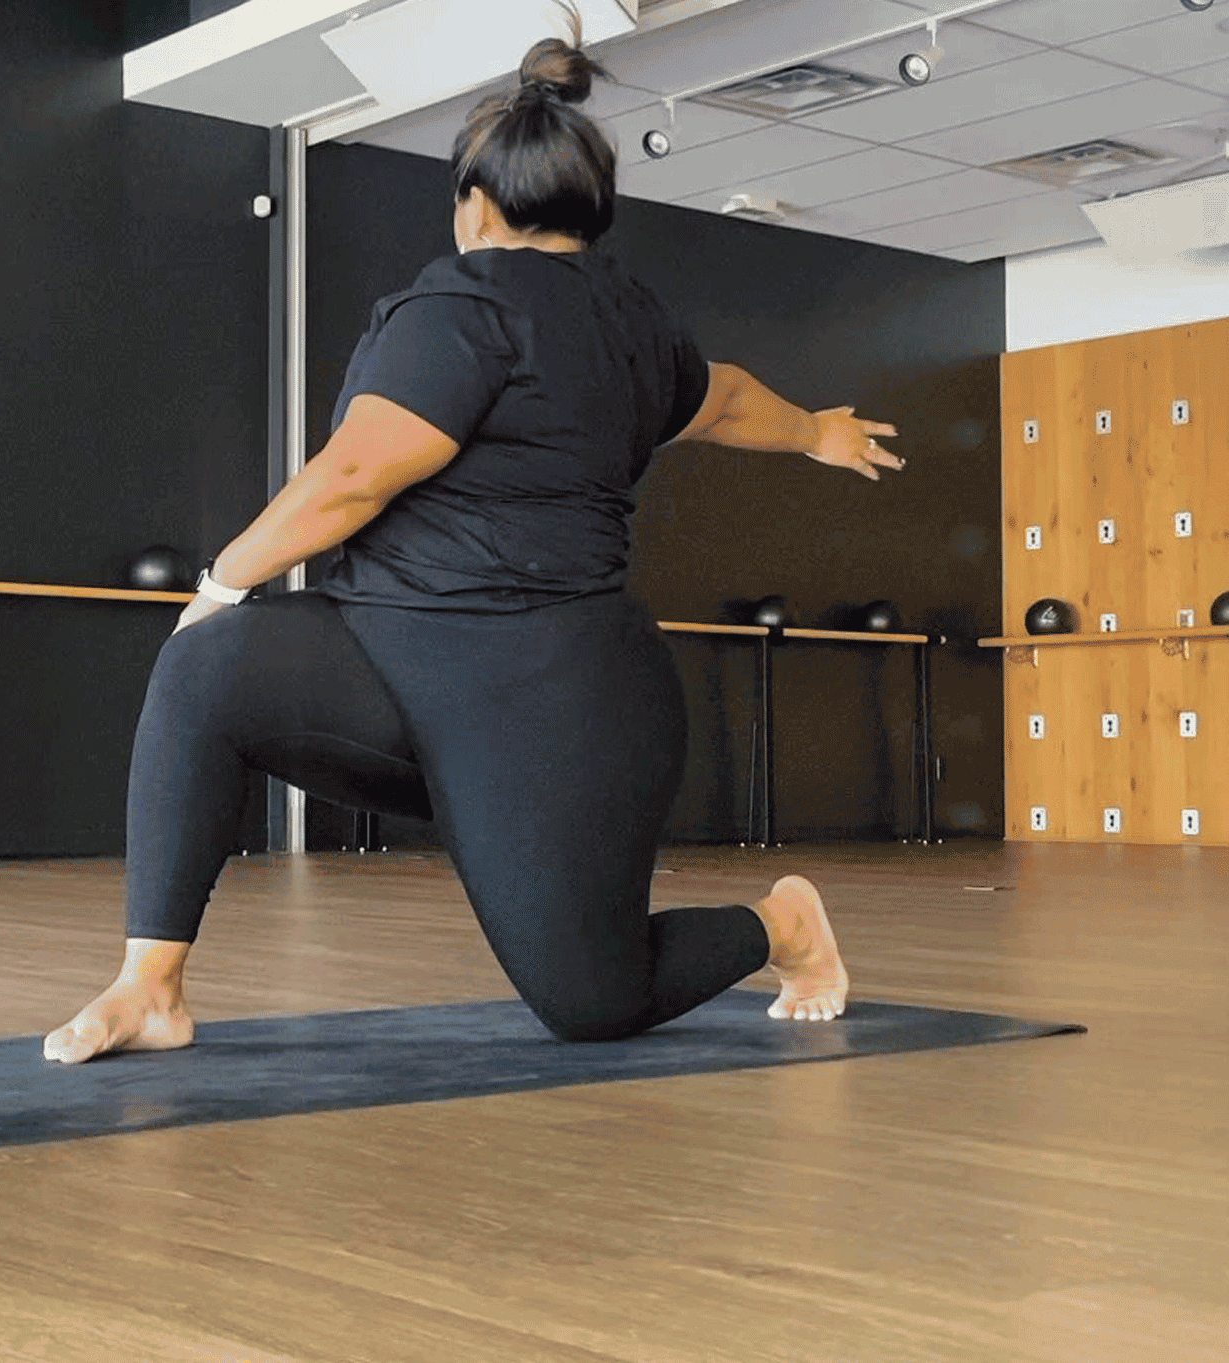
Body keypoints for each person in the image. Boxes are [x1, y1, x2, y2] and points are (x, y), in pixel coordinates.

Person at [45, 33, 898, 1066]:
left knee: (593, 999)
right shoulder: (637, 323)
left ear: (476, 204)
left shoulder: (461, 303)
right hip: (398, 663)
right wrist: (819, 432)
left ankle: (784, 924)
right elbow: (725, 400)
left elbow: (356, 475)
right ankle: (152, 987)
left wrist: (224, 580)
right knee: (205, 676)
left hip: (555, 702)